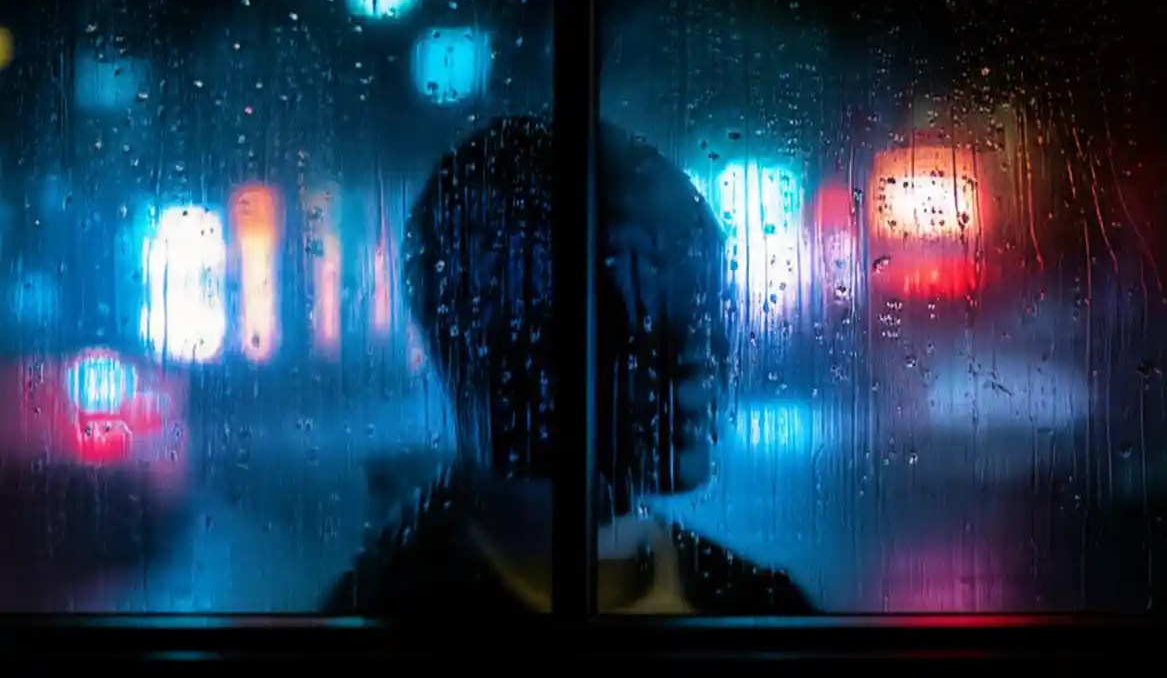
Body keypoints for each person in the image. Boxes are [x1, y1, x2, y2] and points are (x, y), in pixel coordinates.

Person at [322, 115, 814, 615]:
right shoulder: (757, 612)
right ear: (526, 343)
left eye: (709, 311)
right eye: (654, 320)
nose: (714, 361)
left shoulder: (381, 611)